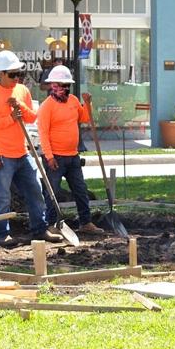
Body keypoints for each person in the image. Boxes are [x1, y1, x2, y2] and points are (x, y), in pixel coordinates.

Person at [0, 50, 60, 246]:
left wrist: (20, 106)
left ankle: (40, 229)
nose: (17, 78)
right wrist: (10, 119)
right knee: (1, 196)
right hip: (0, 155)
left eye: (19, 73)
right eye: (12, 74)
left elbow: (32, 117)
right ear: (0, 74)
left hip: (22, 153)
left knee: (35, 190)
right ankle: (0, 234)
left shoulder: (22, 90)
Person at [37, 66, 101, 234]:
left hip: (73, 156)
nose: (64, 88)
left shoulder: (73, 100)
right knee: (52, 192)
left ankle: (85, 222)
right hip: (55, 158)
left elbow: (84, 118)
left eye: (67, 85)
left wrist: (87, 104)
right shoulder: (47, 106)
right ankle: (51, 224)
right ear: (53, 85)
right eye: (61, 85)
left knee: (80, 190)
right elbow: (43, 133)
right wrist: (49, 156)